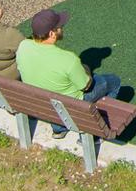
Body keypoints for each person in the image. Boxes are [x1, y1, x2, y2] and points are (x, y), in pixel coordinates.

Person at [14, 8, 122, 139]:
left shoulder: (23, 46)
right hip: (69, 103)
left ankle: (59, 127)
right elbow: (86, 86)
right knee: (113, 81)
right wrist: (86, 69)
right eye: (60, 27)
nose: (62, 28)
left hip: (41, 101)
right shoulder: (68, 59)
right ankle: (96, 131)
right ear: (52, 33)